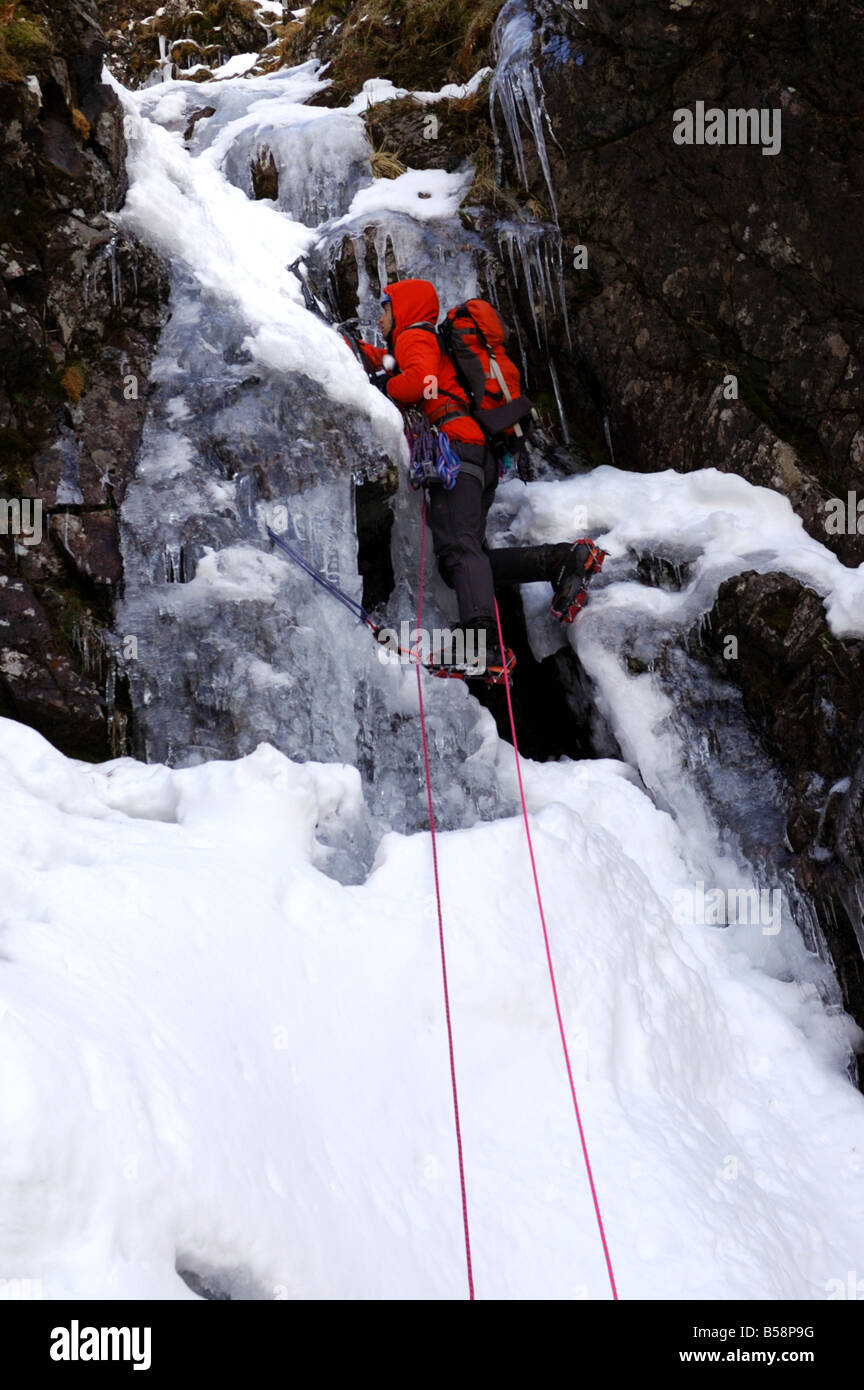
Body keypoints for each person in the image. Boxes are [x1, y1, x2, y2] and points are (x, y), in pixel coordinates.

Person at [357, 278, 602, 675]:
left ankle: (481, 644)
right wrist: (367, 356)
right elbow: (403, 365)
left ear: (403, 309)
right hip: (478, 457)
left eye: (385, 309)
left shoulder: (413, 336)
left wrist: (384, 384)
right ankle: (559, 561)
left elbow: (417, 380)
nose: (380, 317)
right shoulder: (424, 342)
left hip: (455, 451)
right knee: (469, 558)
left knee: (459, 552)